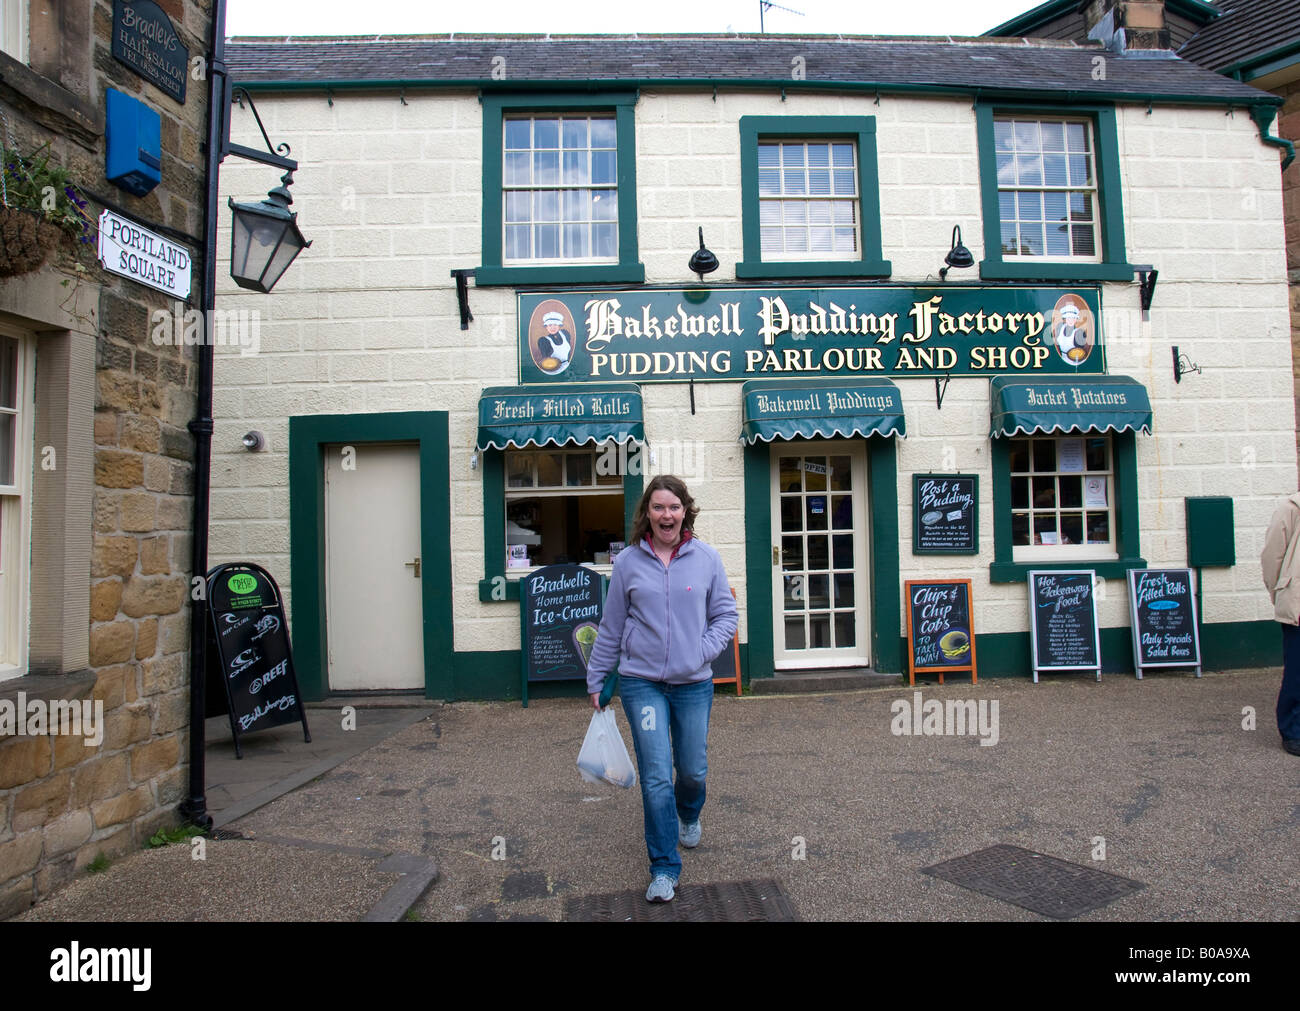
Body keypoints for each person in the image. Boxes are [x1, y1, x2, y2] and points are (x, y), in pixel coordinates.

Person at [586, 474, 738, 902]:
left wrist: (699, 652)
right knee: (656, 776)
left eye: (673, 507)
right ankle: (664, 867)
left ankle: (689, 814)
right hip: (642, 684)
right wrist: (597, 678)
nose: (666, 515)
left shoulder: (706, 558)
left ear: (684, 511)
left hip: (692, 684)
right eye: (658, 507)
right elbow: (612, 627)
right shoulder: (628, 564)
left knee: (691, 769)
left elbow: (726, 615)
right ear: (647, 515)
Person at [1260, 491, 1300, 756]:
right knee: (1297, 673)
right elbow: (1272, 556)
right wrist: (1280, 592)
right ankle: (1293, 731)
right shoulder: (1290, 507)